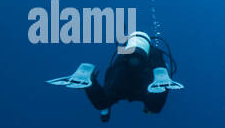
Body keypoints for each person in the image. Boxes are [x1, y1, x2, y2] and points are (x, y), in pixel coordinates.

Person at [47, 31, 183, 122]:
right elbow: (164, 68)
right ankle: (161, 75)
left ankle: (89, 77)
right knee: (155, 106)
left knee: (102, 102)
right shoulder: (155, 52)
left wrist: (104, 109)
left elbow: (112, 69)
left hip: (122, 76)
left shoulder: (124, 49)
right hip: (145, 81)